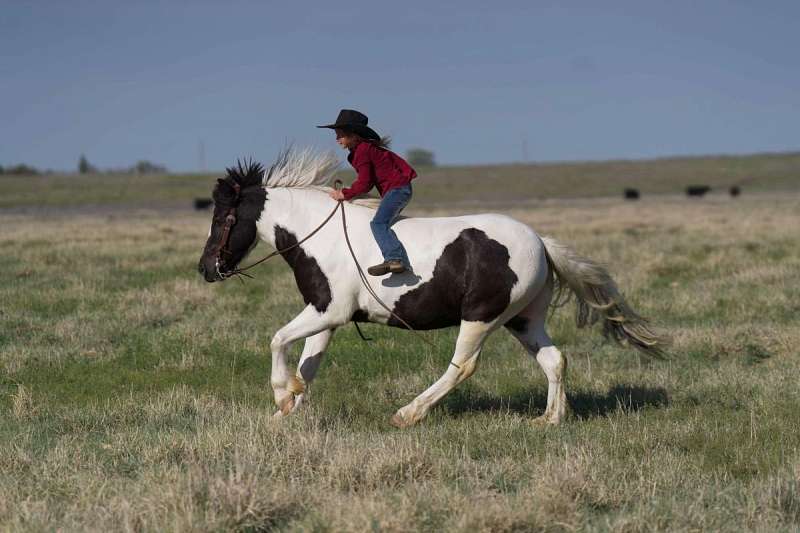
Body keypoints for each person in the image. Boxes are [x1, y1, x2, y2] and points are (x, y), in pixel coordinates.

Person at [318, 109, 417, 276]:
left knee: (378, 224)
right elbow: (369, 181)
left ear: (354, 135)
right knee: (384, 221)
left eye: (340, 134)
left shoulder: (363, 150)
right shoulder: (363, 150)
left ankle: (395, 259)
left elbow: (364, 184)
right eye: (336, 135)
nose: (337, 139)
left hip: (397, 190)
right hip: (399, 189)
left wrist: (345, 194)